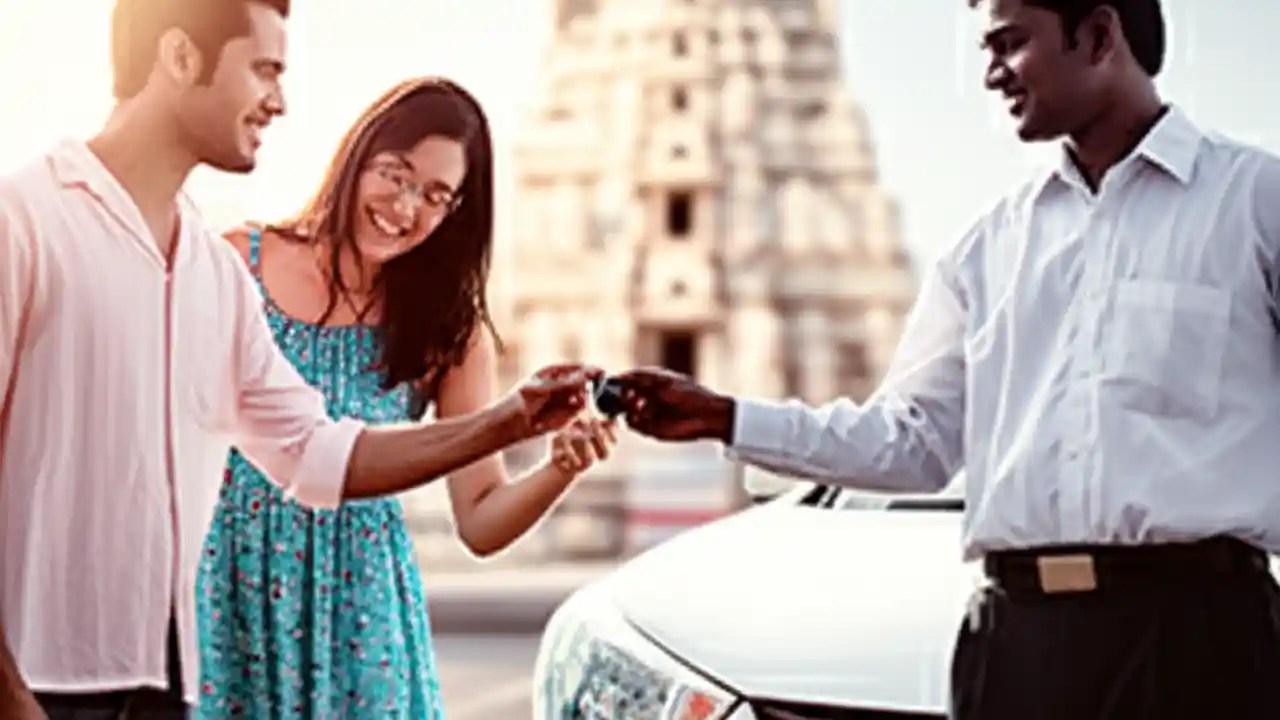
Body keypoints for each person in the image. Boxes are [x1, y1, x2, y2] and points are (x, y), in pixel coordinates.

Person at [613, 1, 1280, 718]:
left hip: (1201, 641)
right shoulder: (986, 248)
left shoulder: (1254, 204)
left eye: (1010, 44)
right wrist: (724, 416)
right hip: (1018, 647)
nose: (991, 74)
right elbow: (910, 442)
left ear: (1097, 36)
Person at [0, 1, 600, 719]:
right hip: (79, 663)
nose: (280, 102)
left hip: (193, 669)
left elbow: (315, 452)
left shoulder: (202, 272)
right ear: (182, 58)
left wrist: (513, 425)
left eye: (437, 195)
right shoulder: (29, 223)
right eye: (264, 70)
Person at [194, 77, 618, 720]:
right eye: (395, 174)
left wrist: (561, 466)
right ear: (357, 156)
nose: (405, 206)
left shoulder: (448, 330)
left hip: (363, 612)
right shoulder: (237, 263)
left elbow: (479, 519)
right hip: (231, 588)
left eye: (436, 196)